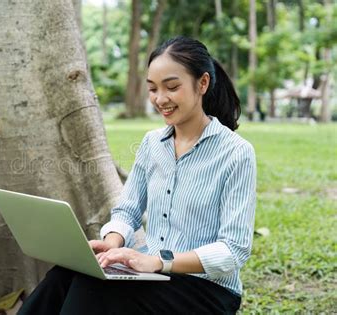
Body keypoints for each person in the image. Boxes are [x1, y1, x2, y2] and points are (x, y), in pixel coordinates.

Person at [18, 36, 256, 315]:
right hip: (152, 275)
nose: (160, 99)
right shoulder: (152, 144)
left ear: (202, 83)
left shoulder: (236, 153)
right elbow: (127, 210)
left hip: (207, 291)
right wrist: (112, 243)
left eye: (172, 87)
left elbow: (233, 251)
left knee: (91, 289)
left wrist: (159, 261)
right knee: (65, 275)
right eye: (153, 89)